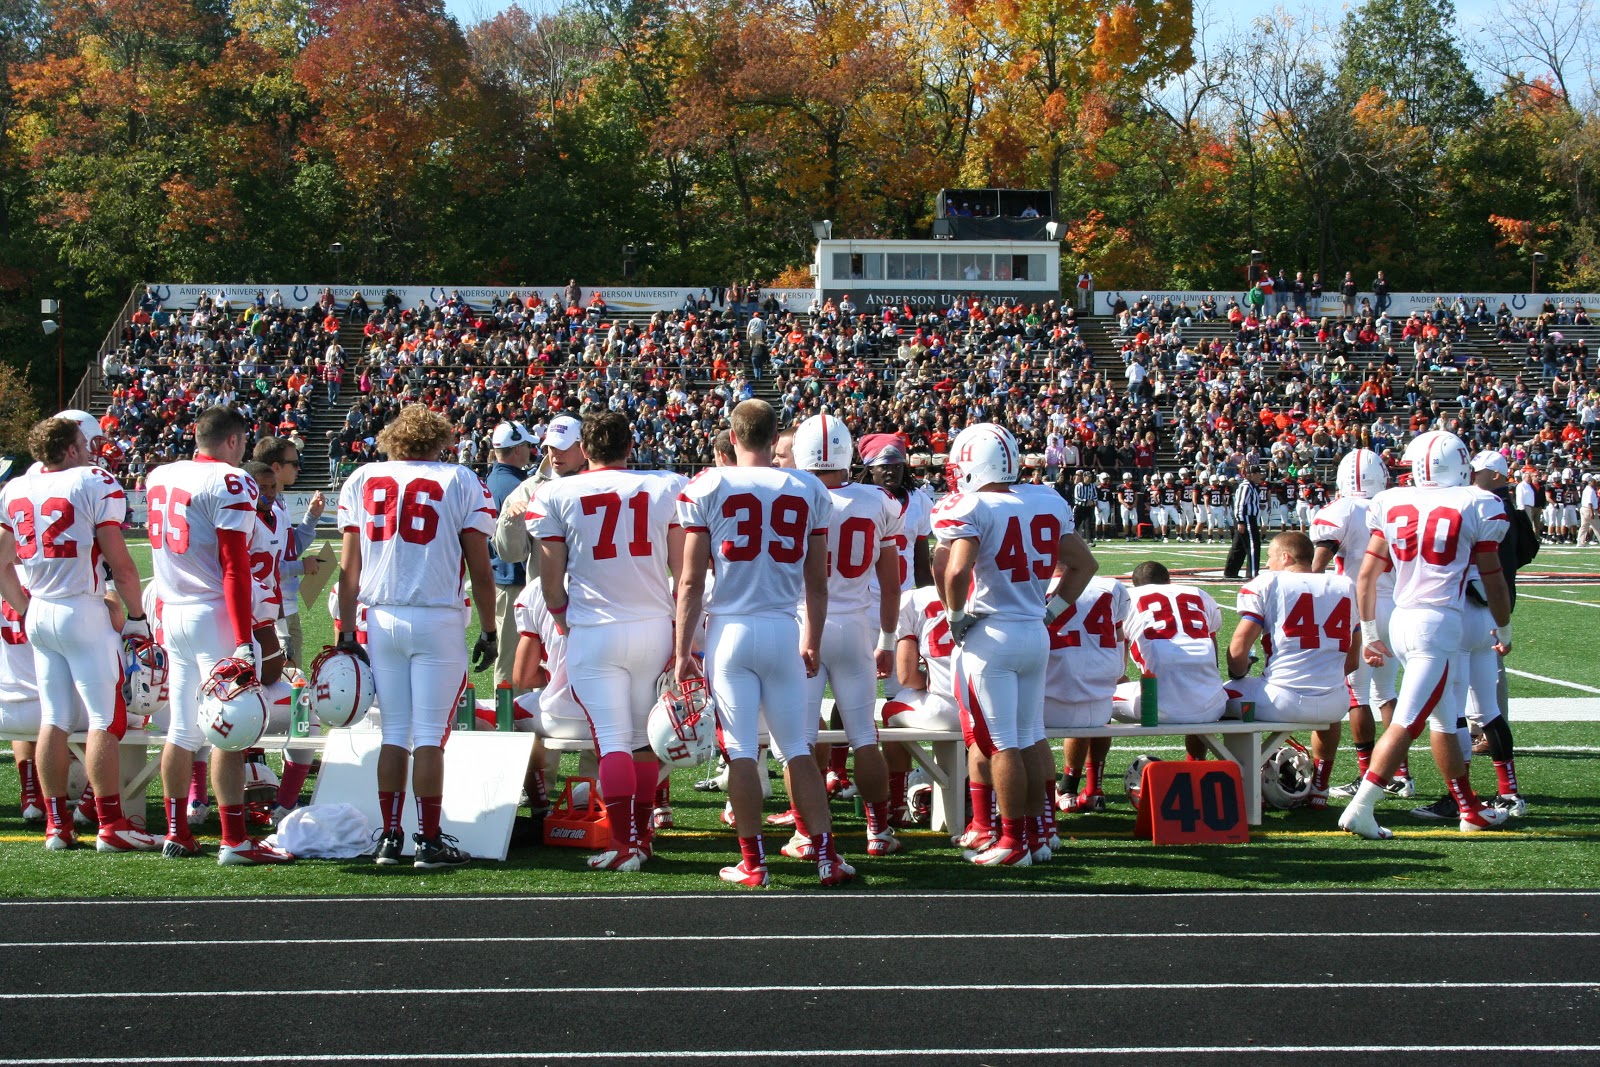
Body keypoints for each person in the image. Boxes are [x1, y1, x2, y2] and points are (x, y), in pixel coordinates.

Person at [676, 399, 851, 887]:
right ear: (776, 439)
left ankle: (753, 864)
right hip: (783, 628)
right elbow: (818, 584)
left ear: (732, 437)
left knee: (740, 751)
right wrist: (812, 639)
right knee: (796, 748)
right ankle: (826, 856)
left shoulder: (707, 484)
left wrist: (682, 651)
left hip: (729, 631)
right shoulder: (808, 488)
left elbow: (690, 582)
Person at [337, 404, 498, 869]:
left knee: (394, 732)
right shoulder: (461, 479)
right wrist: (489, 629)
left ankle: (390, 837)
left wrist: (346, 629)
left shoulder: (363, 477)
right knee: (429, 736)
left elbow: (349, 569)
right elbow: (481, 570)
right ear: (440, 440)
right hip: (437, 616)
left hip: (381, 617)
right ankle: (427, 840)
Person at [934, 423, 1097, 867]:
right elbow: (1084, 564)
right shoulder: (1044, 499)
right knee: (1031, 736)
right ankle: (1040, 833)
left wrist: (955, 616)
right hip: (1033, 630)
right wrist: (1051, 610)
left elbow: (955, 571)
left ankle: (1011, 841)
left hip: (993, 635)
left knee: (1002, 743)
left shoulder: (973, 506)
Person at [529, 412, 685, 872]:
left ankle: (622, 843)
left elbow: (551, 584)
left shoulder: (555, 493)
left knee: (613, 743)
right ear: (629, 447)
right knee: (644, 741)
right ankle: (642, 838)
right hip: (654, 626)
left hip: (596, 630)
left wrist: (563, 623)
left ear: (585, 450)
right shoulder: (665, 485)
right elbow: (683, 573)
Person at [1339, 430, 1511, 839]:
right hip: (1438, 625)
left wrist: (1371, 631)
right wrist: (1503, 627)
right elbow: (1493, 578)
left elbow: (1367, 577)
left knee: (1443, 720)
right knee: (1407, 722)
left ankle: (1468, 807)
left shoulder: (1391, 500)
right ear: (1462, 464)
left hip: (1401, 620)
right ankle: (1361, 807)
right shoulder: (1477, 502)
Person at [146, 406, 291, 863]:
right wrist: (245, 639)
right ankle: (234, 839)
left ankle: (177, 830)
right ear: (232, 440)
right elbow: (234, 566)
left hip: (174, 611)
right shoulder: (230, 480)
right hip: (213, 614)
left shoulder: (160, 475)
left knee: (184, 730)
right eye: (243, 442)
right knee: (232, 724)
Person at [0, 416, 150, 852]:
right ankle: (110, 824)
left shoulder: (15, 489)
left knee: (55, 719)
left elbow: (2, 563)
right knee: (106, 719)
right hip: (81, 609)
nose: (89, 451)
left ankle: (56, 825)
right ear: (69, 449)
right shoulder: (90, 481)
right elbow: (121, 566)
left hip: (41, 611)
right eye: (83, 444)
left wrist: (26, 608)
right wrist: (137, 617)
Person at [785, 414, 903, 860]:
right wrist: (887, 639)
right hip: (855, 626)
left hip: (802, 626)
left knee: (799, 740)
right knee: (864, 736)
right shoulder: (877, 501)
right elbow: (891, 585)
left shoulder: (790, 495)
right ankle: (878, 829)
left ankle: (807, 833)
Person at [1412, 451, 1531, 821]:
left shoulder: (1445, 504)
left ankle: (1459, 798)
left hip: (1456, 612)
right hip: (1486, 613)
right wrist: (1504, 624)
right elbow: (1500, 569)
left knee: (1454, 712)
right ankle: (1509, 793)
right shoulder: (1490, 504)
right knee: (1489, 709)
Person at [1226, 532, 1360, 809]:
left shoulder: (1269, 582)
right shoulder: (1344, 584)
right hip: (1335, 702)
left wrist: (1239, 673)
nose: (1268, 564)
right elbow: (1353, 660)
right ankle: (1320, 788)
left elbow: (1238, 650)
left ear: (1285, 557)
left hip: (1280, 699)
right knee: (1329, 701)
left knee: (1217, 698)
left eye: (1270, 557)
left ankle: (1240, 784)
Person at [1312, 449, 1411, 801]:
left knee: (1357, 694)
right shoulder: (1395, 503)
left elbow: (1318, 562)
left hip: (1359, 607)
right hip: (1394, 606)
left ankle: (1369, 776)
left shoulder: (1340, 509)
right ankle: (1400, 775)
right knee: (1387, 693)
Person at [1049, 574, 1131, 814]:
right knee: (1096, 705)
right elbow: (1118, 640)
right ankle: (1093, 789)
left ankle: (1054, 794)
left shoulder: (1033, 582)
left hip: (1048, 694)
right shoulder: (1110, 586)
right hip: (1099, 695)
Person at [1111, 561, 1226, 732]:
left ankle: (1095, 751)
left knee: (1096, 697)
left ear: (1135, 585)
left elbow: (1116, 670)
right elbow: (1213, 655)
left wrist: (1120, 680)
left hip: (1155, 706)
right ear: (1168, 580)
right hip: (1212, 705)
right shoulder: (1199, 594)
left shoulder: (1128, 598)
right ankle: (1197, 750)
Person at [254, 436, 323, 670]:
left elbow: (290, 551)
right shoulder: (265, 510)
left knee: (291, 675)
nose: (298, 468)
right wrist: (301, 567)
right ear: (276, 467)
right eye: (294, 463)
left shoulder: (278, 504)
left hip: (286, 605)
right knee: (286, 679)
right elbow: (265, 567)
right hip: (273, 608)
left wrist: (311, 518)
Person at [493, 416, 583, 579]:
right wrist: (511, 523)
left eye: (563, 447)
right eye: (552, 447)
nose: (556, 453)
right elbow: (511, 554)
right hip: (546, 591)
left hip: (592, 591)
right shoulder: (529, 489)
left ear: (582, 447)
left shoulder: (601, 484)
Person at [487, 422, 535, 687]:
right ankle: (506, 708)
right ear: (517, 449)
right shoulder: (518, 486)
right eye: (527, 446)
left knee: (510, 655)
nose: (530, 451)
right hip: (515, 577)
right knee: (513, 658)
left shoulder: (492, 480)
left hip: (501, 575)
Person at [860, 433, 933, 590]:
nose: (891, 472)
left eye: (897, 466)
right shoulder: (857, 500)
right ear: (871, 468)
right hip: (864, 597)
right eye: (884, 466)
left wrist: (929, 600)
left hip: (904, 596)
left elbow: (921, 565)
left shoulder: (919, 501)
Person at [1224, 468, 1264, 579]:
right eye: (1259, 474)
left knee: (1239, 546)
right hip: (1246, 518)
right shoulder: (1246, 486)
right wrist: (1240, 520)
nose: (1260, 476)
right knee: (1253, 544)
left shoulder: (1252, 486)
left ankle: (1230, 572)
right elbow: (1240, 504)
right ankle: (1252, 572)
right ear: (1252, 474)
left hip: (1248, 518)